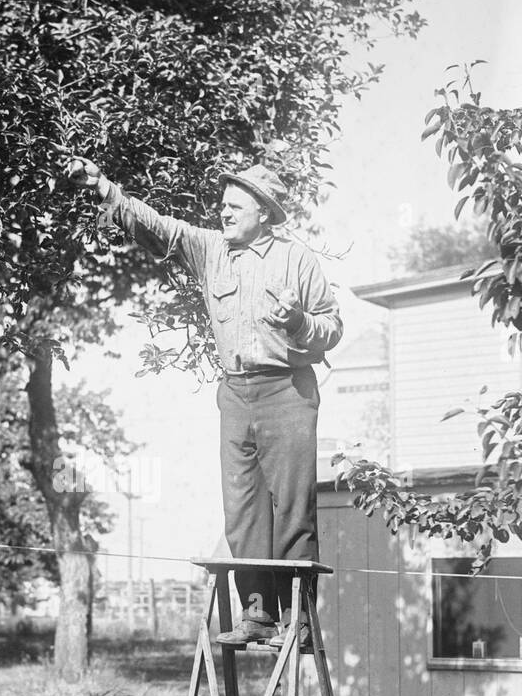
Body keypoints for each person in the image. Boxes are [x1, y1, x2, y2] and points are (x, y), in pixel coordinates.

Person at [68, 157, 343, 647]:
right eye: (222, 205)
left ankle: (298, 620)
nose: (224, 213)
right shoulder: (211, 249)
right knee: (242, 510)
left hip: (287, 391)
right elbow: (158, 227)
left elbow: (332, 329)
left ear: (263, 211)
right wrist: (104, 187)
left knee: (292, 510)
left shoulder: (297, 260)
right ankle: (257, 613)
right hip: (235, 394)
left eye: (235, 206)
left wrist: (299, 320)